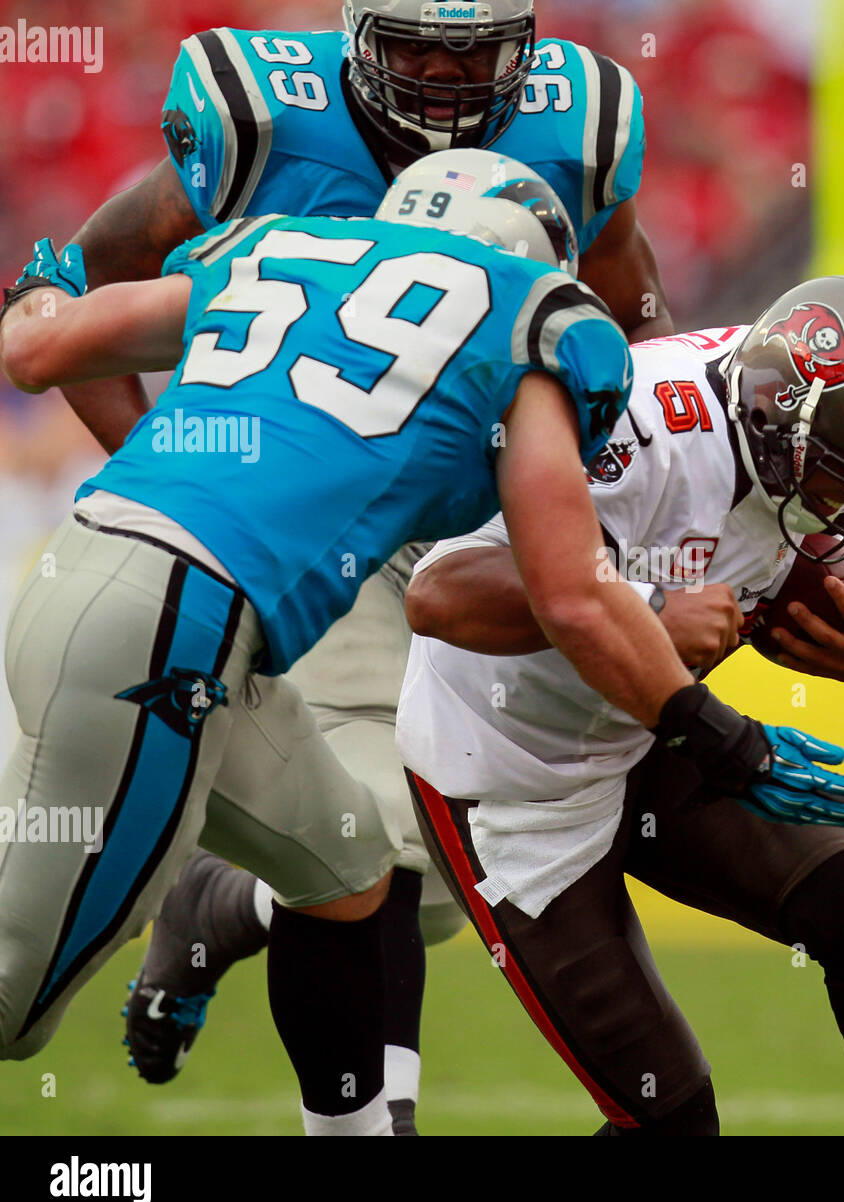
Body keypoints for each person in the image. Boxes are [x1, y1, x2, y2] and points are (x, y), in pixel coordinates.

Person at [0, 151, 844, 1134]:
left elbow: (36, 352)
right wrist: (719, 733)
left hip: (117, 580)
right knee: (14, 1004)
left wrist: (42, 280)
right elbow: (572, 595)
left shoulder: (278, 245)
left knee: (348, 873)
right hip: (169, 627)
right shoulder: (535, 319)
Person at [57, 0, 672, 1128]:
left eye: (475, 50)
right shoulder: (264, 117)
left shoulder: (578, 127)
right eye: (417, 46)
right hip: (312, 515)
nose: (445, 73)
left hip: (467, 528)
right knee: (378, 836)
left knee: (435, 875)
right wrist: (193, 466)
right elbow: (88, 279)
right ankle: (371, 1109)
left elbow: (630, 317)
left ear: (523, 50)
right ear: (356, 41)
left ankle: (223, 904)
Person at [398, 277, 844, 1135]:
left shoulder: (771, 400)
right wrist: (640, 606)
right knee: (670, 1115)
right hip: (508, 775)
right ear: (783, 425)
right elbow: (440, 595)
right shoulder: (637, 428)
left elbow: (773, 551)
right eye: (839, 479)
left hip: (647, 726)